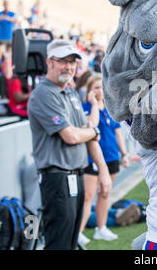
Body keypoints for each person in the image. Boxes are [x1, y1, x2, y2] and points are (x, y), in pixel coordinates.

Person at [27, 39, 111, 250]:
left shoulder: (72, 93)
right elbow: (71, 136)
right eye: (63, 61)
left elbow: (89, 132)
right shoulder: (43, 94)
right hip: (56, 177)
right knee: (59, 244)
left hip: (76, 174)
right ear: (50, 62)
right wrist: (92, 131)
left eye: (72, 62)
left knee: (71, 241)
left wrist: (103, 171)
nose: (69, 67)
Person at [78, 73, 131, 246]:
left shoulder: (110, 108)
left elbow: (118, 133)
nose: (100, 91)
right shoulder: (85, 107)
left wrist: (124, 154)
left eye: (101, 87)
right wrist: (93, 104)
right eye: (95, 88)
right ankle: (78, 232)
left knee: (105, 193)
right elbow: (90, 126)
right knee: (88, 196)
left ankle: (101, 228)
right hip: (92, 158)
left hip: (111, 156)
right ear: (89, 91)